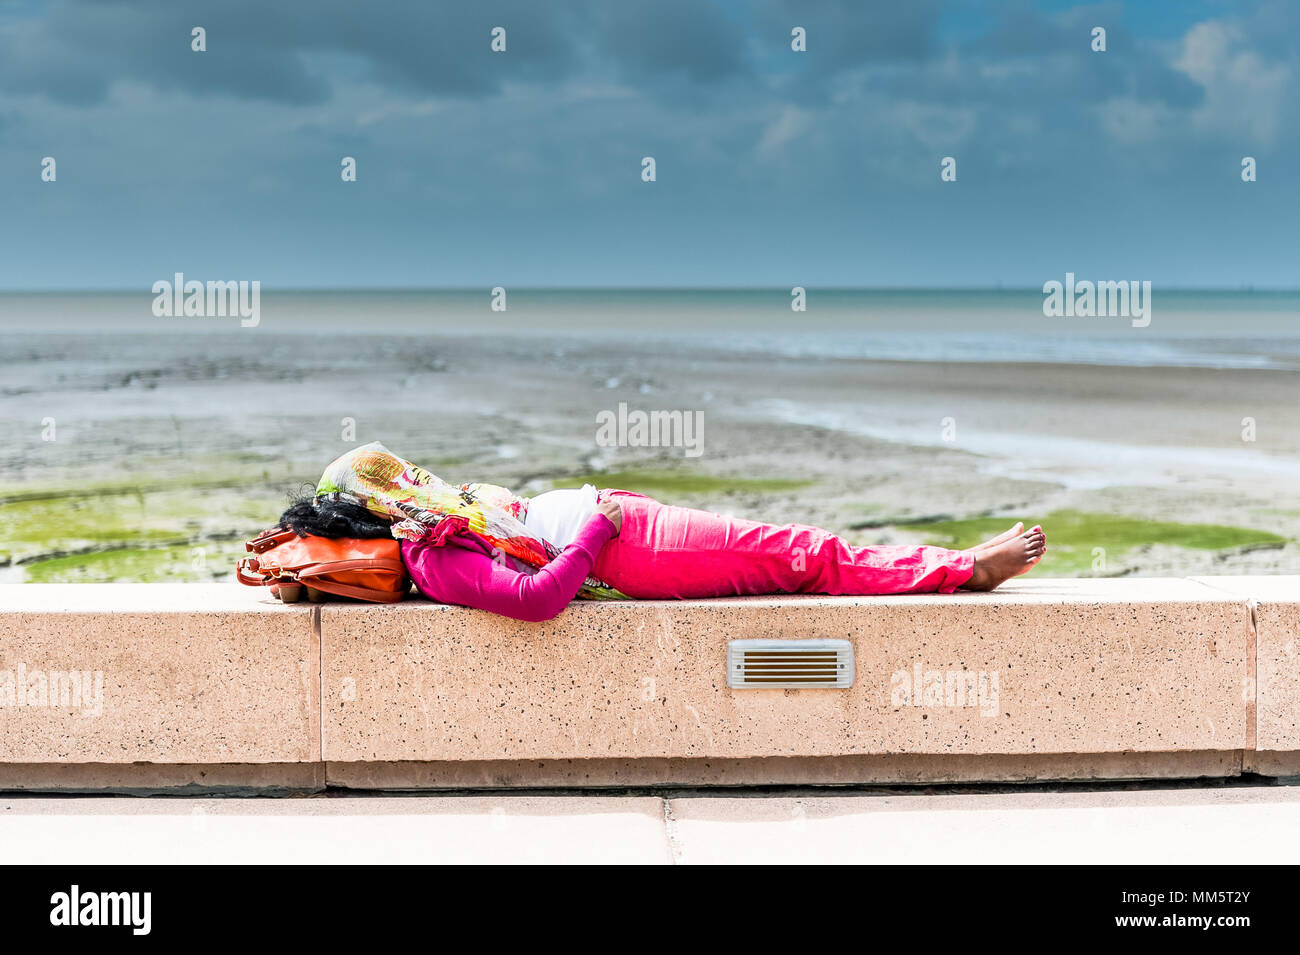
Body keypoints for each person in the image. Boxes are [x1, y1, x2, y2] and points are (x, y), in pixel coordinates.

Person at [279, 442, 1046, 622]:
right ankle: (961, 571)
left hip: (617, 520)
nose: (406, 473)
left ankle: (952, 564)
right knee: (802, 557)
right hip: (624, 542)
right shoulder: (432, 555)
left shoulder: (443, 521)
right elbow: (539, 599)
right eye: (386, 478)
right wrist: (597, 527)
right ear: (370, 505)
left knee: (791, 548)